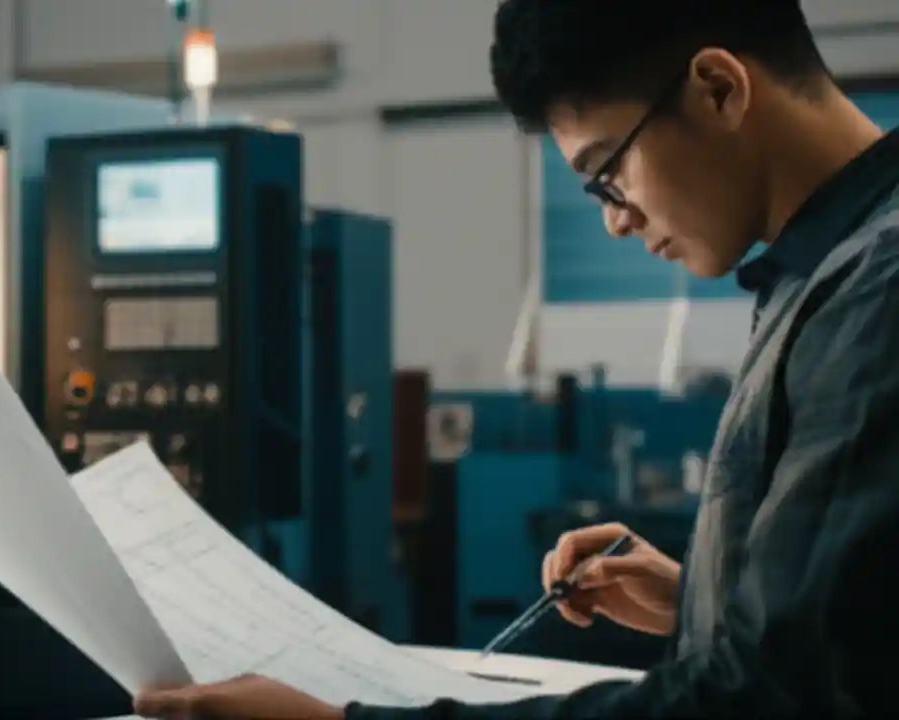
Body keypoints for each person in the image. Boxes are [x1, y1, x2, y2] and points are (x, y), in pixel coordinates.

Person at [134, 0, 899, 716]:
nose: (615, 223)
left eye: (608, 175)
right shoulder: (822, 271)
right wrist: (706, 595)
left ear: (718, 89)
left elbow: (768, 699)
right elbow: (848, 638)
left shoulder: (879, 291)